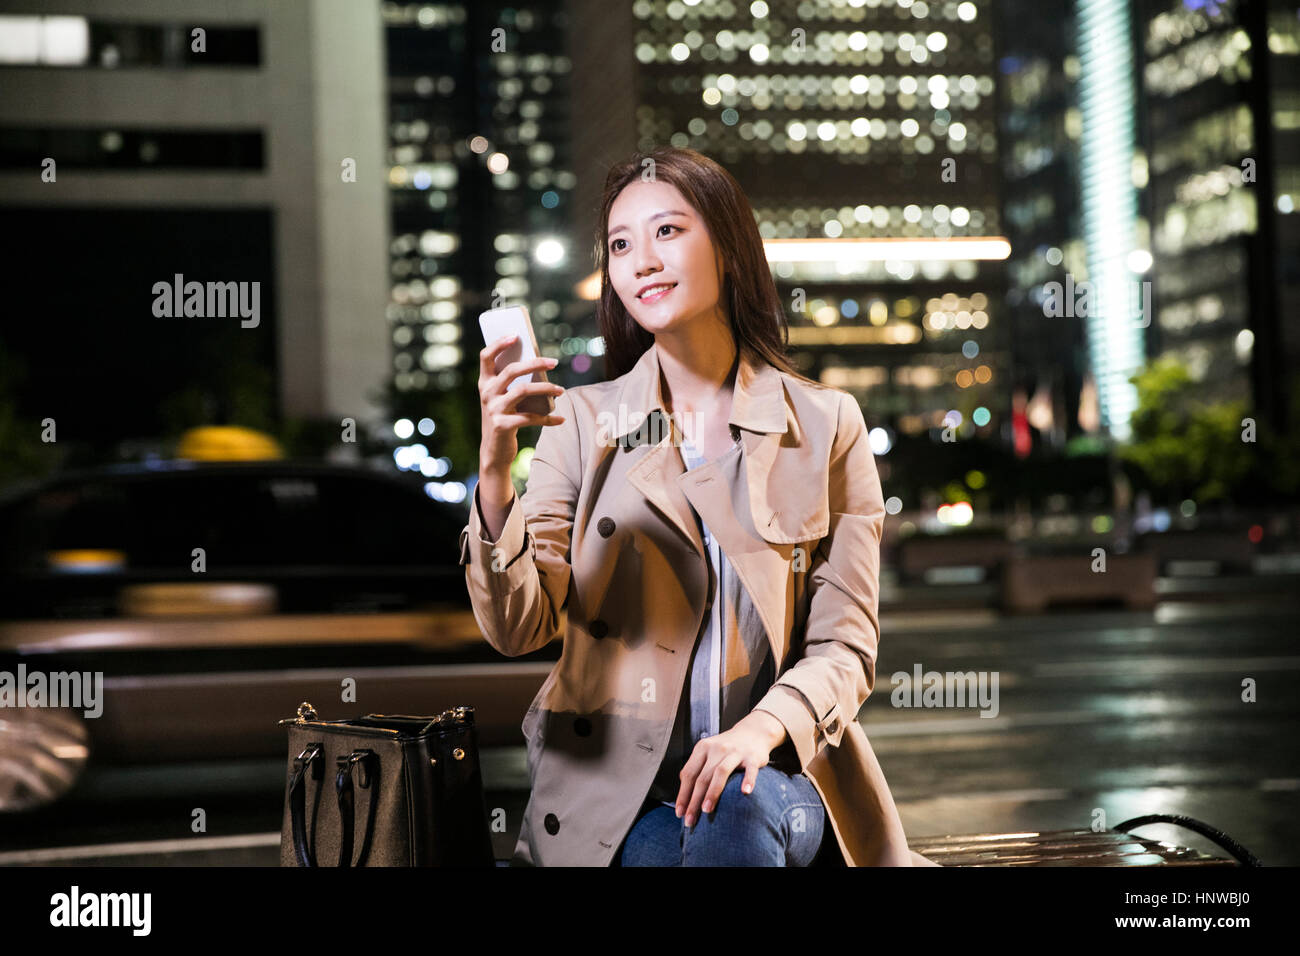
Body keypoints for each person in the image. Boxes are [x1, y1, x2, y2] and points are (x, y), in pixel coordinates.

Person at [461, 145, 936, 867]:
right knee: (683, 839)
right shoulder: (583, 424)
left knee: (735, 805)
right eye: (621, 245)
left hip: (780, 776)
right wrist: (495, 471)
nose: (641, 261)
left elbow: (845, 647)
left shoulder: (823, 424)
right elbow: (518, 626)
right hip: (624, 795)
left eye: (668, 231)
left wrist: (759, 731)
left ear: (730, 247)